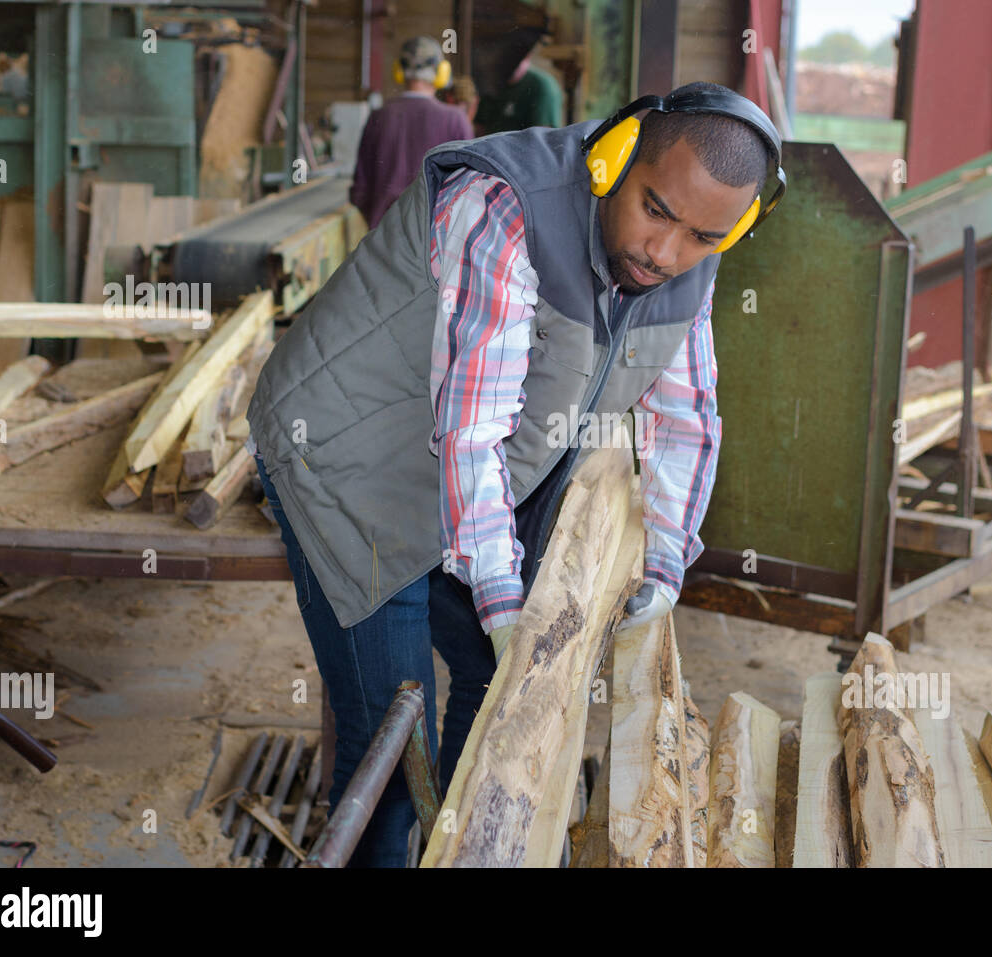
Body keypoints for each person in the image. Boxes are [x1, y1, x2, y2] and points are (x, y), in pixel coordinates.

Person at [246, 81, 785, 867]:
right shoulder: (504, 208)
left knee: (495, 679)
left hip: (459, 479)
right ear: (614, 157)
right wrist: (501, 595)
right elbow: (474, 428)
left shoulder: (691, 264)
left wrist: (664, 561)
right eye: (656, 210)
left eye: (703, 236)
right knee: (394, 742)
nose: (664, 253)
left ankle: (468, 845)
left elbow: (686, 418)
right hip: (344, 459)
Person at [350, 35, 472, 229]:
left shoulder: (379, 116)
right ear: (441, 72)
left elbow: (359, 190)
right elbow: (469, 191)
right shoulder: (455, 119)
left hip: (385, 237)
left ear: (399, 71)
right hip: (437, 243)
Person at [474, 52, 564, 134]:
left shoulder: (542, 85)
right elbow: (480, 127)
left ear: (526, 57)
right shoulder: (493, 82)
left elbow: (542, 135)